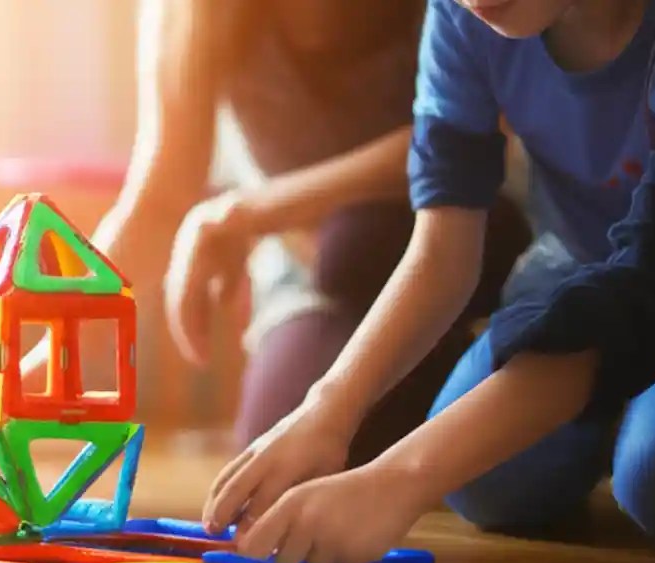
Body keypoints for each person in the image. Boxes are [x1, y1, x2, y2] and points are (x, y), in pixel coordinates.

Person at [203, 0, 655, 563]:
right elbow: (442, 252)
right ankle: (617, 410)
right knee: (487, 484)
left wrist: (399, 477)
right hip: (576, 268)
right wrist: (326, 411)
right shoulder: (461, 17)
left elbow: (646, 282)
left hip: (654, 279)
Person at [79, 0, 530, 466]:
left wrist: (255, 210)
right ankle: (456, 381)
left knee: (353, 244)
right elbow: (159, 198)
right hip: (307, 269)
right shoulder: (189, 14)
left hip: (468, 226)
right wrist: (72, 323)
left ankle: (492, 373)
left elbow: (466, 136)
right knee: (276, 441)